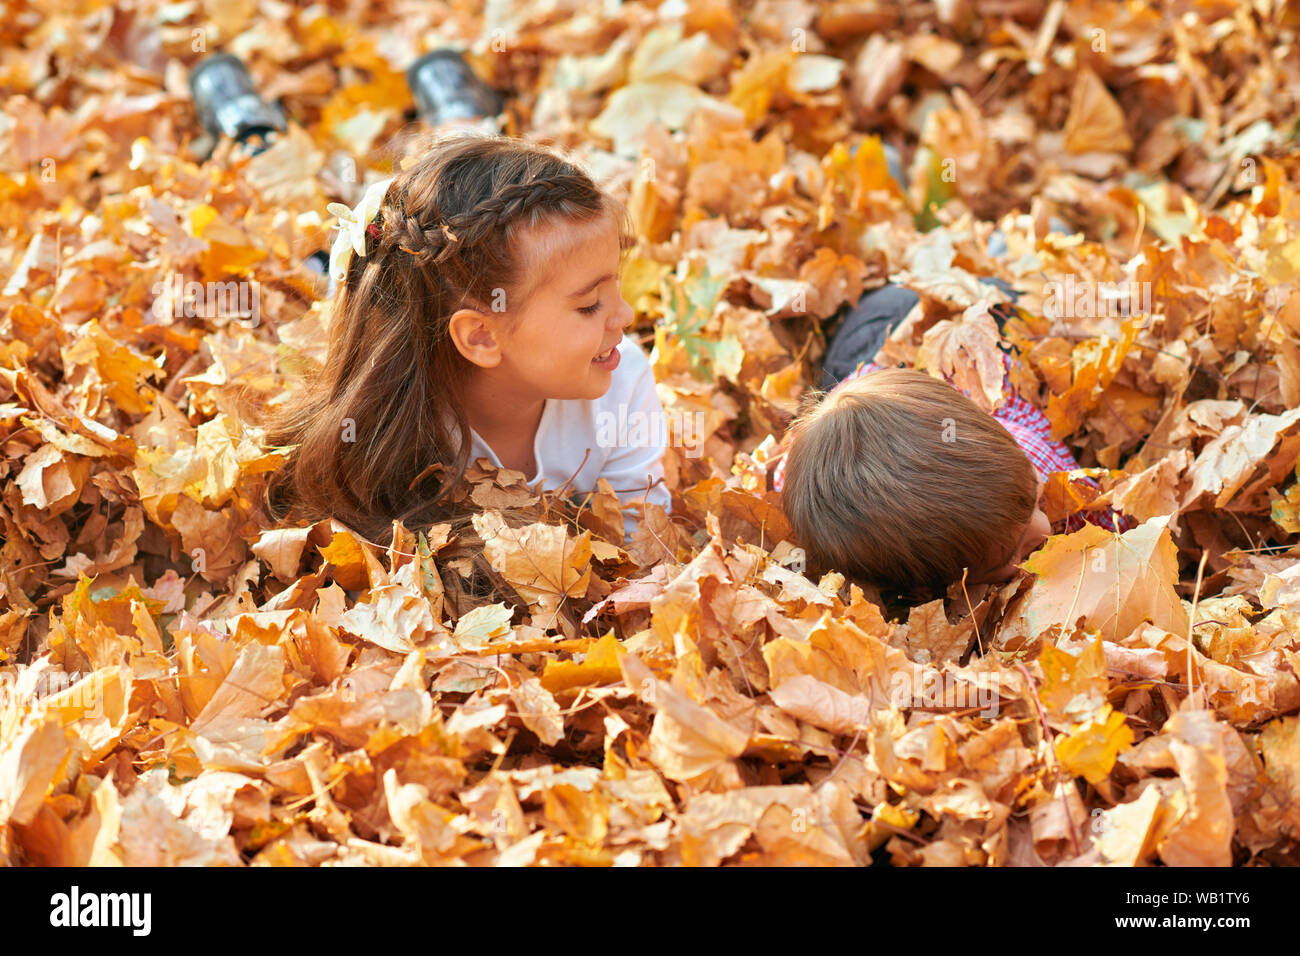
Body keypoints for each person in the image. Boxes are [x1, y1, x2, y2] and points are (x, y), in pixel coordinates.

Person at [255, 133, 671, 544]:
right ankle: (256, 137)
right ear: (481, 337)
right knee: (350, 266)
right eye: (589, 305)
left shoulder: (622, 383)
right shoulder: (399, 418)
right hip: (405, 285)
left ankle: (459, 111)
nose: (626, 316)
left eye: (616, 286)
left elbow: (640, 537)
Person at [772, 298, 1133, 598]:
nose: (1044, 529)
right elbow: (785, 475)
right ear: (927, 589)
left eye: (1039, 500)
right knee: (838, 363)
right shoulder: (812, 493)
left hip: (911, 343)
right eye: (1015, 554)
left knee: (1003, 299)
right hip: (869, 370)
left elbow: (1115, 513)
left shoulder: (1034, 455)